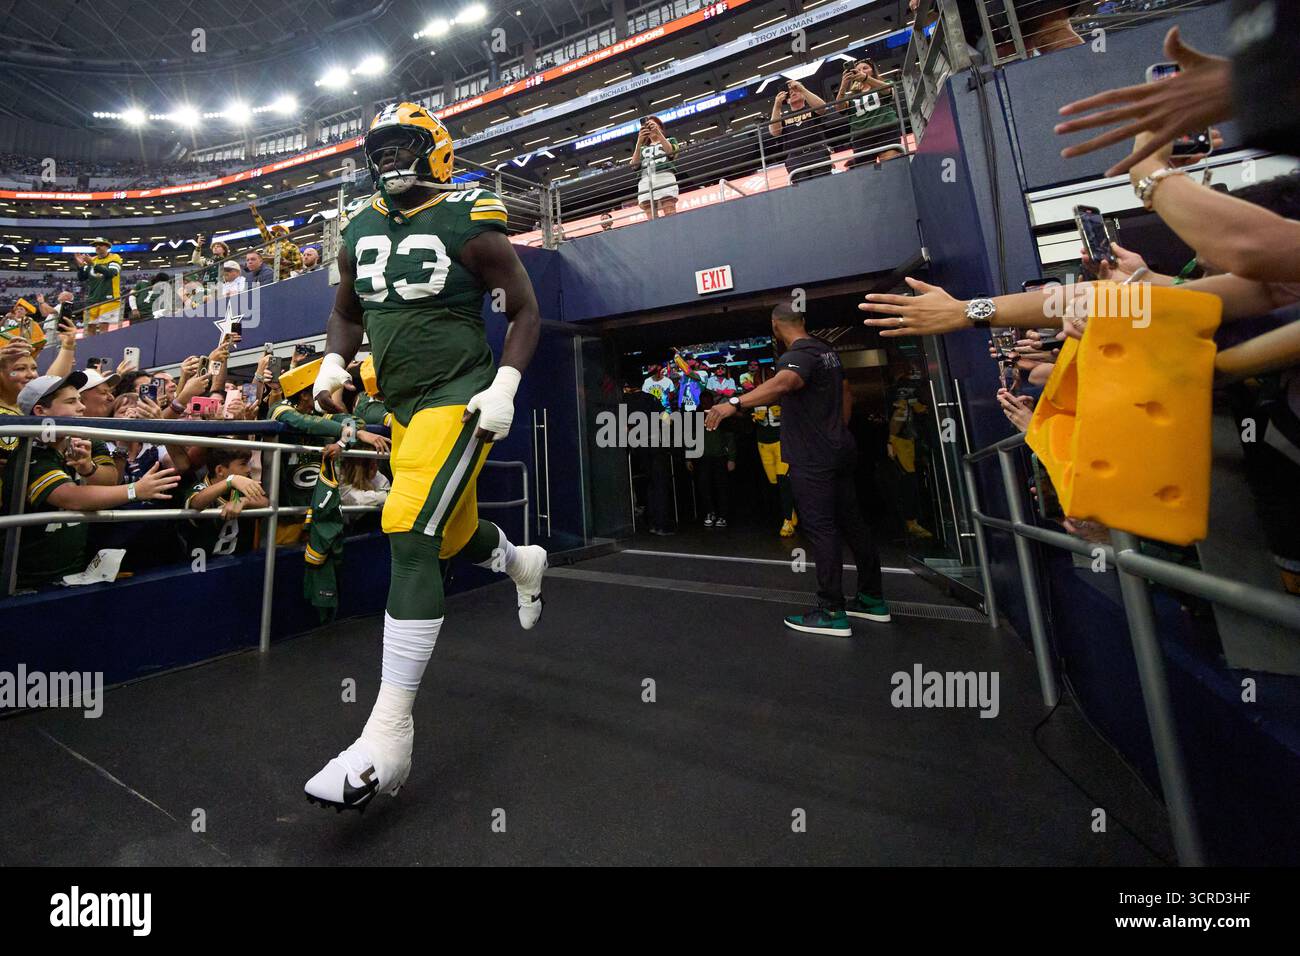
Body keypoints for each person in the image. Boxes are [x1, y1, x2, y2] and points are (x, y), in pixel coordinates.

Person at [304, 102, 547, 812]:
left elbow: (523, 307)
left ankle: (388, 736)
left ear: (438, 150)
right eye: (380, 149)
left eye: (404, 145)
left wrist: (504, 383)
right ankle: (521, 561)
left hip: (461, 394)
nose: (389, 160)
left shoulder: (468, 216)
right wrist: (330, 363)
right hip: (405, 406)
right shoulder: (359, 224)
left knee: (408, 529)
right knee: (458, 534)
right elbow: (348, 310)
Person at [706, 304, 890, 635]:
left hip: (813, 458)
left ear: (776, 326)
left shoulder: (798, 354)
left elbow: (784, 383)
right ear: (802, 321)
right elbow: (846, 392)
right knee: (853, 524)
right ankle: (871, 599)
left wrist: (732, 403)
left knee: (821, 529)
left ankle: (832, 610)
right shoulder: (826, 351)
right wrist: (836, 431)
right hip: (838, 451)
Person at [12, 373, 180, 588]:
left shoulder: (84, 439)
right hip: (30, 578)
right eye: (71, 402)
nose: (81, 407)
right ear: (40, 411)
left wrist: (89, 469)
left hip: (75, 570)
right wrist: (135, 490)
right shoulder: (30, 454)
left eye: (80, 400)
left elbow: (110, 480)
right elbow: (71, 498)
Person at [836, 59, 902, 165]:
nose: (861, 71)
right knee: (867, 172)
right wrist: (843, 85)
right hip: (861, 137)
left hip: (885, 130)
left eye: (865, 68)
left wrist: (866, 79)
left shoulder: (883, 83)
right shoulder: (851, 95)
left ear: (873, 71)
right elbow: (840, 108)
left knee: (891, 165)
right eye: (857, 70)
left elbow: (887, 90)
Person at [769, 79, 831, 185]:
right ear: (787, 101)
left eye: (795, 90)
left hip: (817, 151)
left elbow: (822, 108)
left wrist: (802, 89)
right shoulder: (782, 117)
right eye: (789, 92)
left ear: (803, 95)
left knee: (824, 186)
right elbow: (774, 132)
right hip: (795, 158)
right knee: (802, 191)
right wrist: (777, 105)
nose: (792, 92)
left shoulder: (812, 108)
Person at [630, 116, 681, 218]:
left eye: (653, 125)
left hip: (665, 177)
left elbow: (671, 153)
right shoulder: (642, 147)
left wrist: (658, 133)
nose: (650, 128)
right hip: (646, 180)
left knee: (670, 212)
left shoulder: (670, 140)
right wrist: (639, 142)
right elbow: (634, 165)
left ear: (660, 127)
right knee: (651, 216)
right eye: (647, 127)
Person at [74, 238, 122, 334]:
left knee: (103, 328)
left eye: (101, 244)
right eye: (96, 245)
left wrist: (93, 264)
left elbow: (111, 273)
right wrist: (80, 267)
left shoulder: (114, 257)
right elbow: (82, 278)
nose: (98, 247)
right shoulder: (92, 259)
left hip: (109, 298)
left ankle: (102, 348)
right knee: (89, 327)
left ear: (108, 247)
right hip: (92, 299)